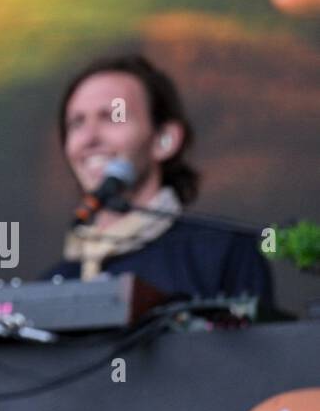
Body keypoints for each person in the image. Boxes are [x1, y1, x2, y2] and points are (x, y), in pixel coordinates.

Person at [40, 54, 277, 317]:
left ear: (164, 140)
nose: (89, 138)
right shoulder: (54, 282)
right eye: (76, 123)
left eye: (112, 117)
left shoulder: (223, 254)